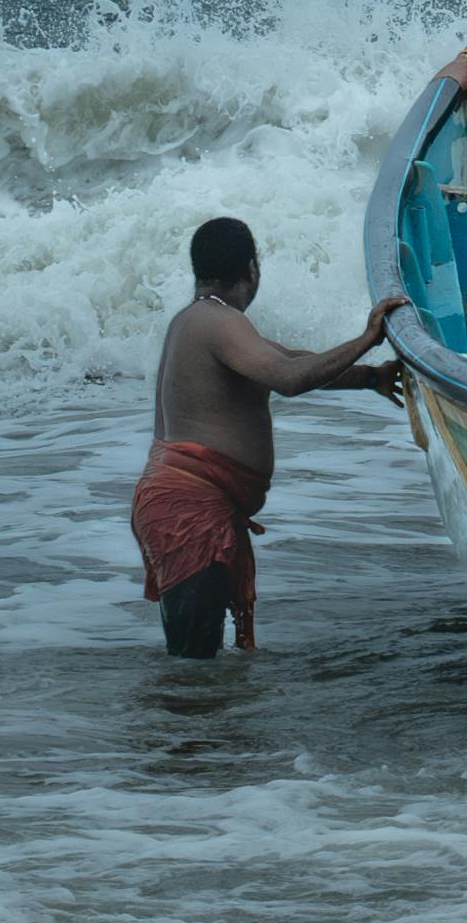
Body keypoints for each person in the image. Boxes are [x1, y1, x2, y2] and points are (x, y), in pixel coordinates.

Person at [130, 214, 399, 658]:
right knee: (194, 672)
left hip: (177, 504)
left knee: (195, 664)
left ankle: (189, 729)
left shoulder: (199, 320)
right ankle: (181, 728)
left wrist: (370, 377)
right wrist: (368, 338)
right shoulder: (219, 322)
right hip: (189, 511)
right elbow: (290, 378)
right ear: (252, 269)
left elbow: (290, 359)